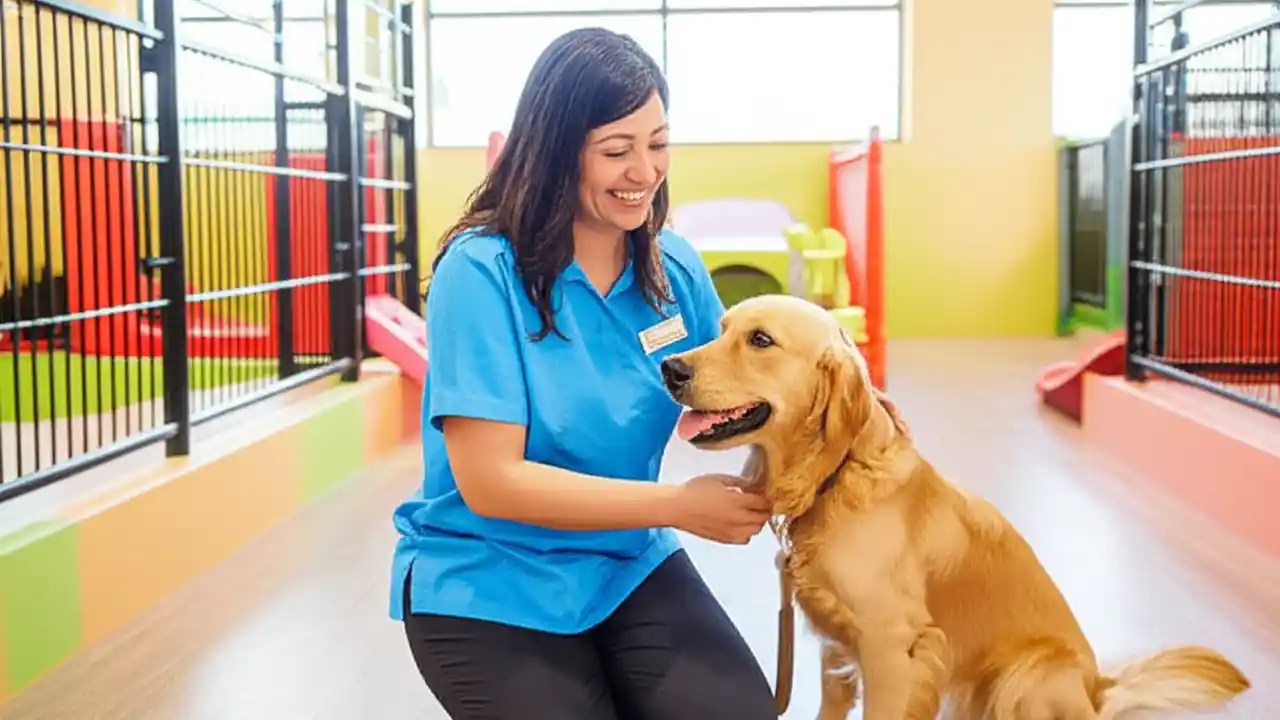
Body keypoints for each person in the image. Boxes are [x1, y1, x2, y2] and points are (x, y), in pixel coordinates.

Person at [389, 26, 778, 720]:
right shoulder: (480, 273)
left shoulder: (674, 267)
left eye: (657, 144)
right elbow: (492, 483)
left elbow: (758, 386)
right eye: (616, 152)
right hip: (488, 575)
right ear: (555, 152)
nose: (644, 173)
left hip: (624, 564)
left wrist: (847, 413)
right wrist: (680, 506)